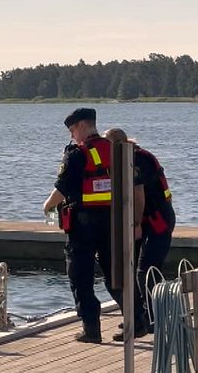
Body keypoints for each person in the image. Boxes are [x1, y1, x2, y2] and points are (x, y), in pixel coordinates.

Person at [42, 108, 123, 344]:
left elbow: (63, 187)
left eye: (72, 130)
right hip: (112, 222)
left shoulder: (78, 153)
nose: (72, 136)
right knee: (115, 273)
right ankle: (136, 319)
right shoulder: (115, 149)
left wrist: (47, 205)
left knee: (81, 276)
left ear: (81, 126)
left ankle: (91, 329)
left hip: (82, 226)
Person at [104, 128, 176, 341]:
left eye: (106, 145)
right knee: (128, 268)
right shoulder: (133, 155)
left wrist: (135, 224)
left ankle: (156, 318)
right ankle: (140, 316)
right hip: (148, 219)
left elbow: (138, 194)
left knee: (146, 271)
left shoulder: (135, 160)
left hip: (156, 220)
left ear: (117, 145)